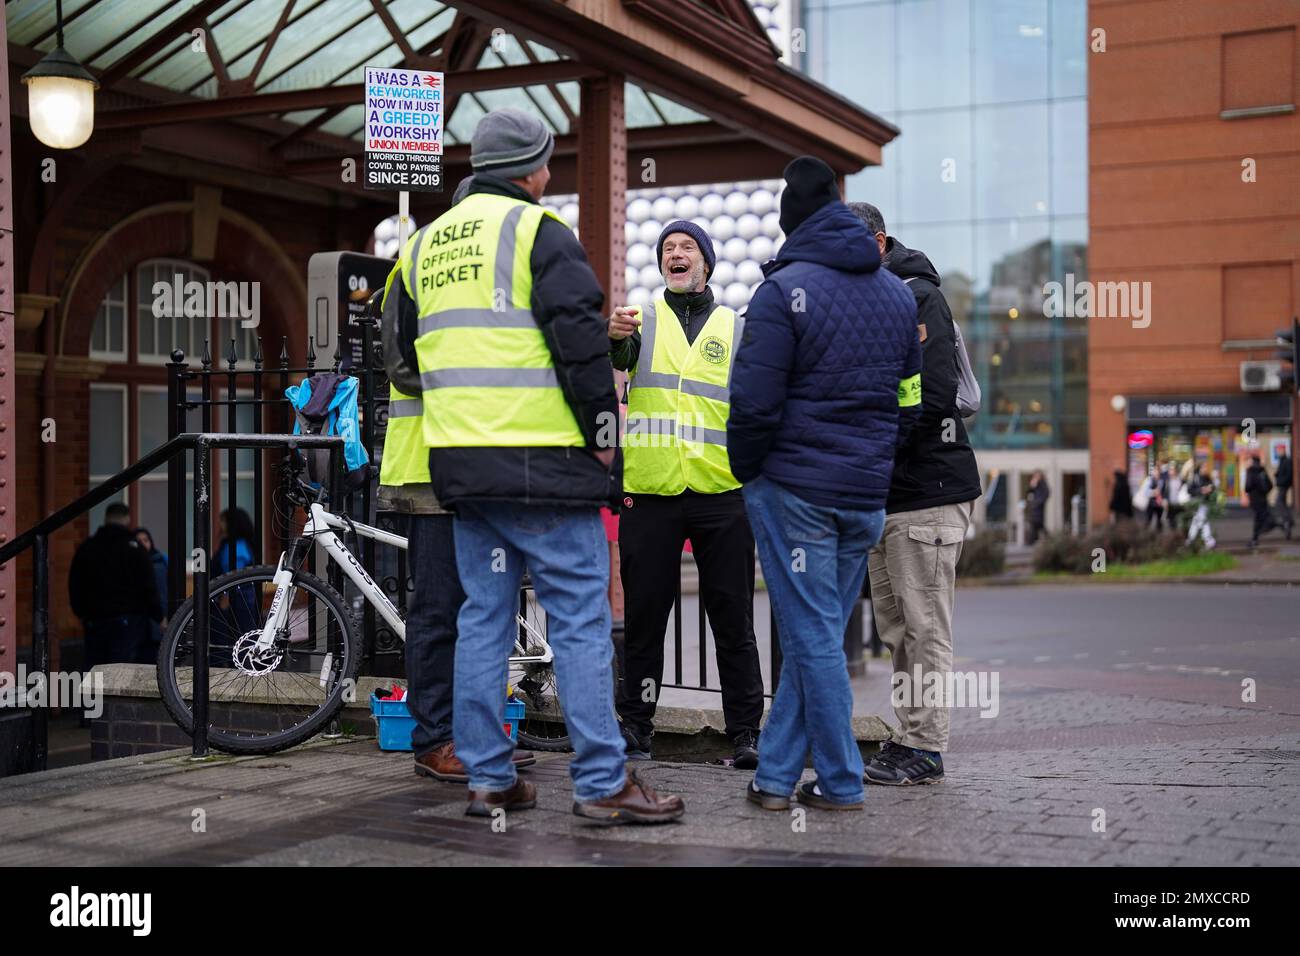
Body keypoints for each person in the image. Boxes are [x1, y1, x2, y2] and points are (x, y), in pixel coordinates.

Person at [387, 107, 683, 823]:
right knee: (580, 620)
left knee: (482, 619)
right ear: (536, 167)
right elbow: (583, 351)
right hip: (544, 467)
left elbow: (401, 360)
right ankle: (604, 784)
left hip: (461, 465)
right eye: (550, 162)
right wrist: (604, 442)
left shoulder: (423, 246)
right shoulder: (540, 234)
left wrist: (469, 405)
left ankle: (489, 777)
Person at [729, 157, 921, 811]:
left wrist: (747, 469)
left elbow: (753, 404)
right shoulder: (899, 294)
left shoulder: (781, 293)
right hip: (864, 497)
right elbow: (911, 401)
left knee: (812, 641)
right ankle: (776, 779)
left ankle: (840, 782)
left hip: (796, 492)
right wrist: (874, 462)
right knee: (818, 635)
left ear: (793, 227)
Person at [380, 175, 534, 786]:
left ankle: (473, 737)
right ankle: (434, 739)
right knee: (440, 609)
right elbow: (400, 365)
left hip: (479, 468)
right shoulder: (418, 265)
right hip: (431, 472)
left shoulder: (466, 273)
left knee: (484, 611)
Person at [607, 220, 764, 769]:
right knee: (647, 620)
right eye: (667, 248)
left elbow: (753, 404)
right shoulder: (639, 323)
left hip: (721, 491)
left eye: (686, 247)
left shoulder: (736, 328)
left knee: (733, 619)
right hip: (650, 493)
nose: (675, 254)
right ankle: (637, 727)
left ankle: (746, 733)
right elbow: (619, 358)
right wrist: (613, 337)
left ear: (706, 262)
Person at [848, 201, 982, 786]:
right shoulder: (869, 295)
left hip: (928, 488)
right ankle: (910, 737)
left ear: (877, 243)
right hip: (892, 493)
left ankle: (925, 746)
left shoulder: (915, 293)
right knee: (899, 629)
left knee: (925, 626)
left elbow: (931, 397)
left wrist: (866, 448)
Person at [69, 502, 163, 667]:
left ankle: (95, 694)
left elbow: (75, 583)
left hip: (95, 619)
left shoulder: (88, 548)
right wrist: (158, 616)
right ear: (127, 519)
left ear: (106, 518)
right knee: (120, 669)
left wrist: (81, 613)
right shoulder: (134, 549)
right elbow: (148, 585)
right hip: (127, 620)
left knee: (95, 667)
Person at [134, 528, 169, 642]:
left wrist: (163, 617)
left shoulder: (160, 561)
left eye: (145, 540)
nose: (142, 544)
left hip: (156, 620)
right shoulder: (129, 563)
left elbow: (162, 593)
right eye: (138, 541)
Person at [1245, 454, 1277, 548]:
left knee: (1259, 519)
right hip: (1263, 498)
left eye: (1248, 460)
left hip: (1255, 499)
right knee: (1261, 517)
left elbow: (1247, 487)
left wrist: (1251, 491)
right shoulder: (1262, 470)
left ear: (1252, 461)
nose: (1247, 462)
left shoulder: (1250, 471)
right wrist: (1264, 492)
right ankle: (1255, 539)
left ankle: (1255, 539)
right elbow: (1270, 485)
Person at [213, 507, 254, 575]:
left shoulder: (238, 547)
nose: (220, 524)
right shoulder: (227, 544)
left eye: (223, 521)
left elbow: (235, 576)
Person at [1185, 463, 1216, 550]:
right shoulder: (1195, 478)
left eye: (1206, 467)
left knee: (1197, 521)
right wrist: (1201, 490)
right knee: (1202, 519)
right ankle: (1208, 539)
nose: (1205, 469)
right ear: (1200, 469)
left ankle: (1191, 539)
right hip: (1196, 503)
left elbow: (1213, 486)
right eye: (1204, 467)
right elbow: (1189, 490)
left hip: (1205, 502)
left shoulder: (1207, 478)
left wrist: (1210, 488)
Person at [1025, 470, 1049, 545]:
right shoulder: (1035, 484)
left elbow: (1046, 494)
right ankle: (1031, 541)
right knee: (1036, 525)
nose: (1036, 477)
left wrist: (1037, 503)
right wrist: (1031, 486)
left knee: (1037, 524)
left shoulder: (1043, 483)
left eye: (1037, 475)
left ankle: (1031, 541)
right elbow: (1029, 493)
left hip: (1038, 508)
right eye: (1035, 475)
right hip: (1033, 509)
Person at [1274, 451, 1293, 536]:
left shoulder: (1287, 461)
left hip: (1283, 485)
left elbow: (1288, 475)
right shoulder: (1282, 461)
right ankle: (1288, 520)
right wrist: (1277, 475)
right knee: (1282, 502)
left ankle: (1287, 520)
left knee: (1279, 502)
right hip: (1282, 485)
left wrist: (1281, 481)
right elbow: (1280, 472)